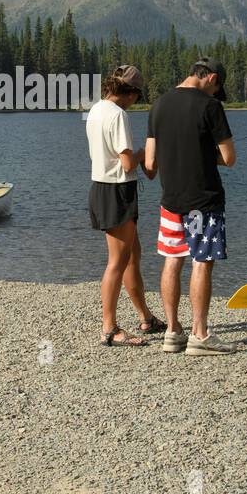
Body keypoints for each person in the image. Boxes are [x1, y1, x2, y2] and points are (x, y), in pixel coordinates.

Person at [144, 57, 237, 356]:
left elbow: (150, 162)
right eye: (216, 88)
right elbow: (229, 157)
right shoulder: (210, 107)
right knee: (201, 261)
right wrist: (203, 154)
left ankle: (172, 332)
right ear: (211, 78)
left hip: (170, 200)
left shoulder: (158, 105)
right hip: (203, 202)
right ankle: (200, 334)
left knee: (173, 260)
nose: (215, 95)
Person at [86, 65, 162, 347]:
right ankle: (110, 329)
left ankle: (145, 318)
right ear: (129, 92)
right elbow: (128, 163)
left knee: (132, 256)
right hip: (116, 191)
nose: (135, 102)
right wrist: (145, 152)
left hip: (103, 188)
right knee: (117, 263)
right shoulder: (118, 115)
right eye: (137, 96)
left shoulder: (95, 110)